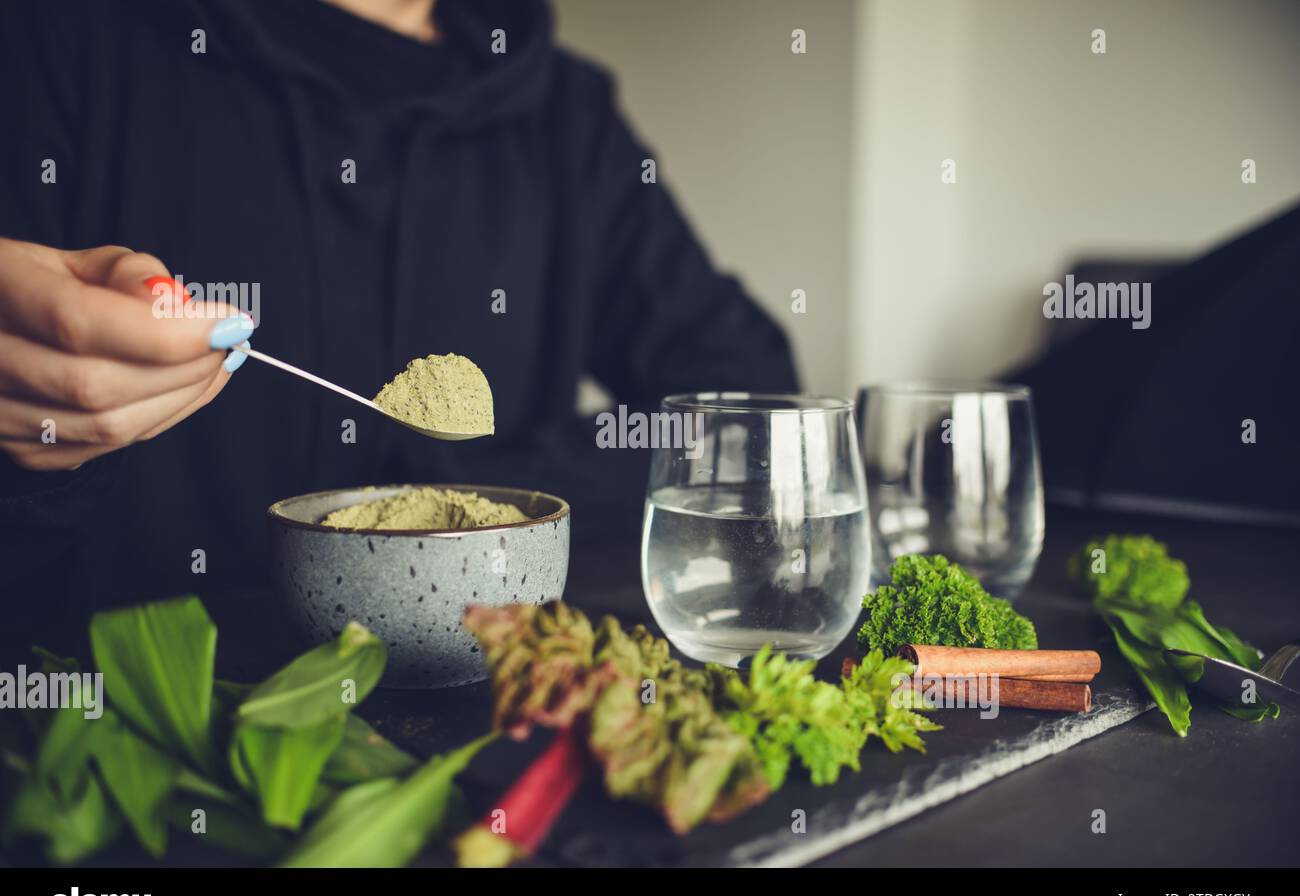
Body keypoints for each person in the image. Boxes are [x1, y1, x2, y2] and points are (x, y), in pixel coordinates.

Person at [0, 0, 799, 613]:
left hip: (470, 732)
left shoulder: (568, 119)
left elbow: (744, 404)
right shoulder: (56, 42)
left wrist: (462, 499)